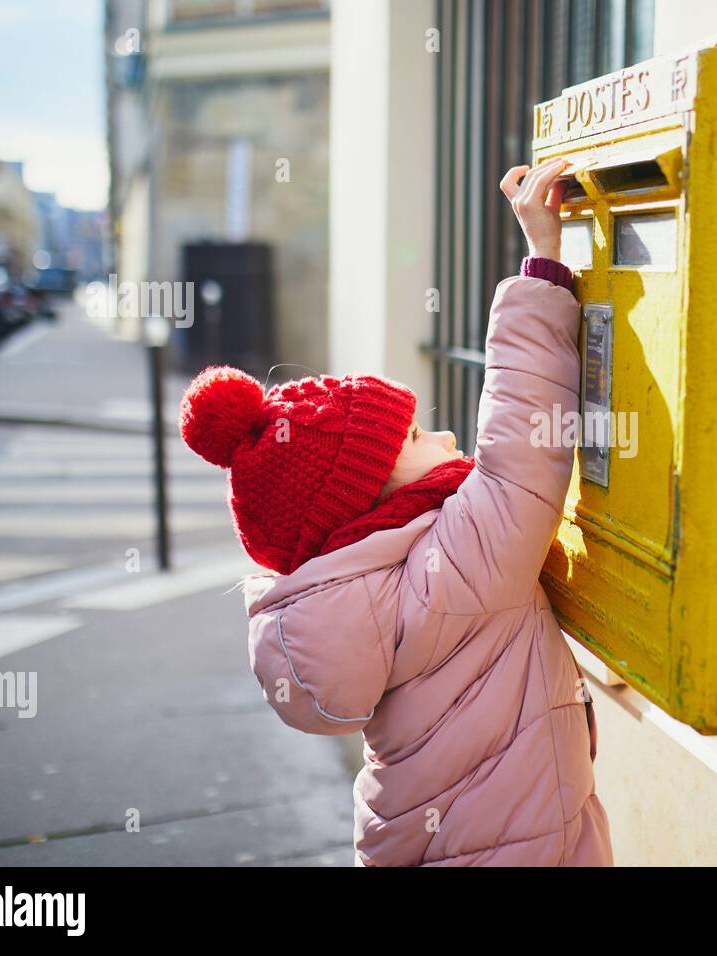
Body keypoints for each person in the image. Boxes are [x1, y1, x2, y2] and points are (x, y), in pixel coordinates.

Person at [178, 158, 613, 866]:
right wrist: (542, 268)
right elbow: (520, 449)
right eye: (412, 439)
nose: (442, 439)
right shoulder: (451, 568)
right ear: (368, 500)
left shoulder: (373, 590)